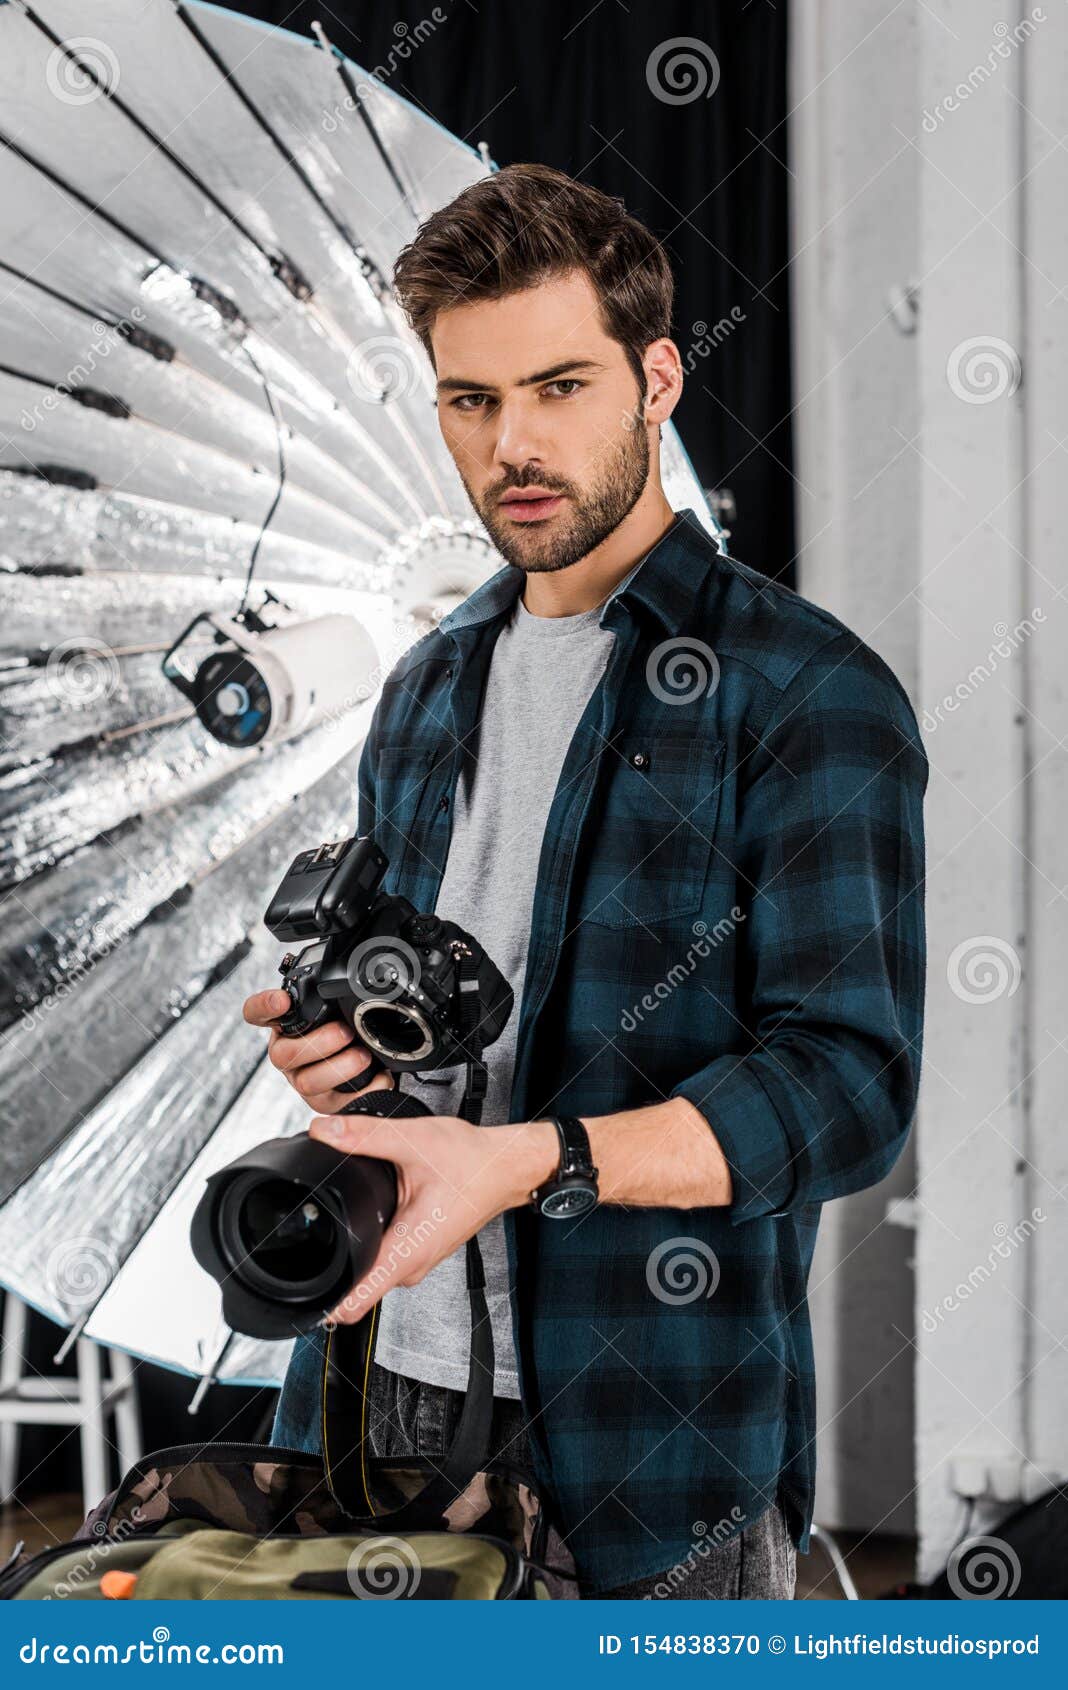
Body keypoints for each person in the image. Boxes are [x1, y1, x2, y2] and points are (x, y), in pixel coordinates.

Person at [243, 162, 928, 1600]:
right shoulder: (425, 691)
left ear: (657, 378)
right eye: (471, 400)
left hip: (646, 1440)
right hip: (373, 1397)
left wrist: (534, 1161)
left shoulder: (805, 692)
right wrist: (342, 1057)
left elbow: (850, 1086)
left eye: (560, 386)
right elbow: (430, 1053)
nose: (514, 445)